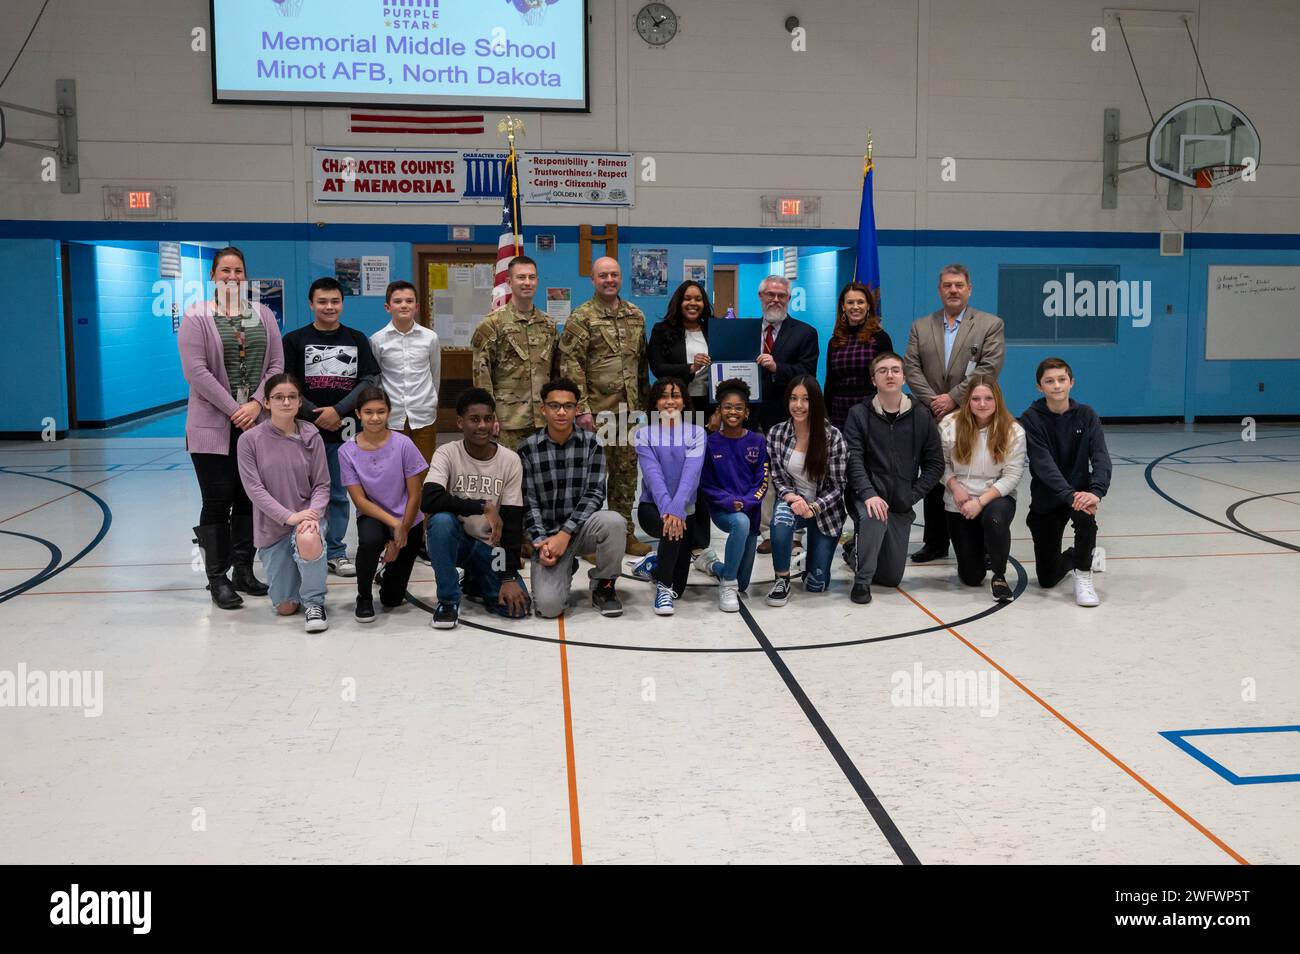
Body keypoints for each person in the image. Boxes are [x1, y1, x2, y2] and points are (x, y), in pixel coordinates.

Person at [178, 245, 282, 610]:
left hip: (256, 424)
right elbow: (197, 373)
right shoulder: (196, 317)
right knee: (218, 501)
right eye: (225, 271)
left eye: (238, 271)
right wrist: (234, 409)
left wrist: (256, 403)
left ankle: (244, 571)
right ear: (212, 276)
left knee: (249, 500)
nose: (232, 278)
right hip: (212, 426)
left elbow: (275, 366)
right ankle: (217, 578)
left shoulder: (264, 315)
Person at [903, 264, 1005, 564]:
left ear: (969, 289)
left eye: (959, 285)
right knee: (935, 475)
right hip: (930, 413)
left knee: (973, 475)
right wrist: (934, 399)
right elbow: (911, 367)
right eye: (947, 285)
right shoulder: (921, 326)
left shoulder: (990, 324)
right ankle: (935, 543)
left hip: (973, 414)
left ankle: (980, 543)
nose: (953, 290)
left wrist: (954, 398)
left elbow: (989, 367)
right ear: (939, 290)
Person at [282, 277, 381, 579]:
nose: (329, 307)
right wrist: (314, 413)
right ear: (311, 304)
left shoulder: (356, 339)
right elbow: (287, 385)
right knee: (301, 495)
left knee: (338, 494)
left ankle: (336, 552)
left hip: (344, 433)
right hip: (303, 432)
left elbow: (368, 380)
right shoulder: (294, 340)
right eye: (322, 302)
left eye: (335, 301)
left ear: (342, 303)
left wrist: (337, 411)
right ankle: (305, 547)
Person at [560, 256, 652, 557]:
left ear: (621, 277)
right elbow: (570, 364)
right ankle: (589, 538)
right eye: (603, 275)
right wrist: (582, 408)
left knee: (626, 475)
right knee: (591, 478)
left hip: (630, 413)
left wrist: (645, 406)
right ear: (593, 279)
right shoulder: (582, 317)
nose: (609, 280)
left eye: (614, 274)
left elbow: (641, 365)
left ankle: (625, 533)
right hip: (596, 413)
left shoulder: (636, 315)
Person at [422, 388, 532, 630]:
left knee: (517, 607)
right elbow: (429, 499)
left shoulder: (510, 460)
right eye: (474, 419)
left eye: (488, 418)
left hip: (489, 548)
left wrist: (507, 577)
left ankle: (474, 580)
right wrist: (482, 506)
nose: (482, 425)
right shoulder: (447, 453)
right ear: (460, 422)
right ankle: (449, 601)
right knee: (441, 521)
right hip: (456, 541)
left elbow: (512, 522)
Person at [518, 378, 627, 618]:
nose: (561, 412)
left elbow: (595, 494)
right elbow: (528, 502)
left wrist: (565, 534)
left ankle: (603, 584)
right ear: (543, 409)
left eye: (568, 406)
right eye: (554, 405)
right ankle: (565, 566)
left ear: (577, 410)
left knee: (614, 522)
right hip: (548, 537)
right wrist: (541, 543)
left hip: (581, 530)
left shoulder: (592, 444)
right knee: (548, 608)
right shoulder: (527, 449)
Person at [843, 352, 944, 604]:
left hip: (900, 501)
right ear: (873, 379)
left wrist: (911, 495)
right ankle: (862, 581)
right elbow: (853, 461)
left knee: (890, 578)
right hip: (865, 496)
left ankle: (853, 551)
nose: (890, 375)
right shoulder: (858, 414)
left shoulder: (921, 415)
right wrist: (869, 494)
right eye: (883, 370)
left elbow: (935, 463)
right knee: (875, 518)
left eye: (896, 370)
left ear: (904, 378)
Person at [235, 373, 331, 633]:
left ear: (300, 402)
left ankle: (314, 602)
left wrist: (312, 515)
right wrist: (289, 517)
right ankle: (306, 576)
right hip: (274, 525)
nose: (286, 402)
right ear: (266, 402)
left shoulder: (311, 434)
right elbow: (254, 489)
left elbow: (322, 484)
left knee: (308, 538)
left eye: (292, 397)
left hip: (307, 517)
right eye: (278, 397)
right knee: (286, 608)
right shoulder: (249, 440)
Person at [1020, 358, 1112, 607]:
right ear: (1040, 387)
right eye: (1049, 381)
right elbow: (1043, 465)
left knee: (1085, 518)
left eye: (1062, 380)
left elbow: (1101, 457)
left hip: (1080, 496)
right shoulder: (1030, 419)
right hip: (1049, 497)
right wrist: (1069, 495)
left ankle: (1083, 574)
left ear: (1072, 382)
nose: (1056, 386)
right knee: (1047, 579)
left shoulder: (1087, 415)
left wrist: (1096, 492)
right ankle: (1078, 556)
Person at [338, 387, 429, 623]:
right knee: (369, 541)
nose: (375, 417)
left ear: (389, 413)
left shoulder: (404, 444)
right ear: (358, 414)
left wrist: (402, 532)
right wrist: (394, 525)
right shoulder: (347, 451)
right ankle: (364, 596)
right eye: (368, 412)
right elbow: (359, 501)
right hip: (375, 515)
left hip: (409, 518)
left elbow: (415, 494)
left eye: (381, 411)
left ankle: (387, 574)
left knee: (391, 599)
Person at [939, 375, 1025, 603]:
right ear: (967, 401)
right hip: (959, 498)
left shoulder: (1014, 431)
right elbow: (941, 465)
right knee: (971, 576)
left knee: (994, 520)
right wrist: (956, 489)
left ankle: (999, 575)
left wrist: (980, 502)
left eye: (988, 398)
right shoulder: (949, 425)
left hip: (995, 496)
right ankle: (981, 549)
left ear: (997, 400)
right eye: (976, 398)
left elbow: (1012, 476)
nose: (982, 404)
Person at [765, 376, 849, 606]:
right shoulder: (776, 433)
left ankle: (808, 561)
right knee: (781, 518)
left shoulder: (833, 437)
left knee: (816, 586)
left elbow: (838, 486)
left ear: (816, 402)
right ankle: (781, 579)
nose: (798, 405)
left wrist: (814, 507)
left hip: (825, 512)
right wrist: (793, 498)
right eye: (793, 398)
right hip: (793, 502)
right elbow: (778, 477)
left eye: (805, 399)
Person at [752, 274, 819, 553]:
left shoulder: (805, 332)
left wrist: (777, 367)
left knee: (794, 475)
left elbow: (808, 373)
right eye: (770, 294)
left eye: (781, 295)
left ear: (789, 299)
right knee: (763, 477)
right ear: (761, 297)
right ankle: (769, 532)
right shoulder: (746, 330)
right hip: (753, 416)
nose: (775, 299)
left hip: (790, 417)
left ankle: (795, 534)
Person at [647, 280, 715, 554]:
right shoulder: (663, 330)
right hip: (675, 408)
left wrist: (720, 410)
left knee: (700, 471)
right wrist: (690, 367)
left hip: (707, 407)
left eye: (698, 298)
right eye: (688, 298)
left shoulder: (714, 328)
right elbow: (658, 367)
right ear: (679, 301)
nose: (693, 303)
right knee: (673, 469)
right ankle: (672, 523)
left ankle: (699, 538)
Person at [631, 377, 707, 615]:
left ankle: (654, 565)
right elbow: (653, 478)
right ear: (655, 403)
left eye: (675, 395)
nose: (670, 401)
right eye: (664, 396)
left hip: (686, 509)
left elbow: (690, 477)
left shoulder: (697, 433)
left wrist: (677, 509)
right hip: (652, 508)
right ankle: (663, 589)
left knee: (681, 587)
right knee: (671, 529)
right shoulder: (644, 435)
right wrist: (670, 511)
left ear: (684, 402)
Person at [693, 379, 768, 612]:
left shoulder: (757, 441)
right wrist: (728, 502)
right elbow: (706, 483)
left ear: (746, 412)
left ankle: (713, 565)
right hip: (724, 511)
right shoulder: (710, 443)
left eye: (738, 408)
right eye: (727, 406)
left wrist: (746, 502)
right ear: (719, 411)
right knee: (740, 522)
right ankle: (727, 585)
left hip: (750, 510)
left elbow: (762, 481)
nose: (732, 412)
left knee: (743, 583)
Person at [471, 255, 557, 452]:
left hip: (544, 420)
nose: (527, 282)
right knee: (508, 478)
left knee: (542, 480)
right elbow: (481, 375)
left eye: (532, 277)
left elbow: (556, 372)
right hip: (507, 421)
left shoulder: (549, 325)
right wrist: (487, 416)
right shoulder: (492, 324)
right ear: (509, 282)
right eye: (521, 277)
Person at [370, 279, 441, 466]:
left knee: (422, 469)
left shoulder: (430, 338)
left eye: (409, 301)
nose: (404, 305)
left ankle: (420, 497)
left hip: (424, 414)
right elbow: (377, 380)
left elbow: (435, 374)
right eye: (398, 301)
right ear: (387, 307)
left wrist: (432, 401)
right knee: (393, 469)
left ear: (416, 307)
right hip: (392, 417)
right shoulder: (377, 340)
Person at [823, 281, 894, 430]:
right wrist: (826, 415)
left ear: (868, 306)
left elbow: (889, 378)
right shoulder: (834, 341)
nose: (855, 307)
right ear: (843, 306)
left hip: (872, 408)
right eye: (850, 302)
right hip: (839, 410)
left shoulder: (880, 337)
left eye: (860, 302)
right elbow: (830, 381)